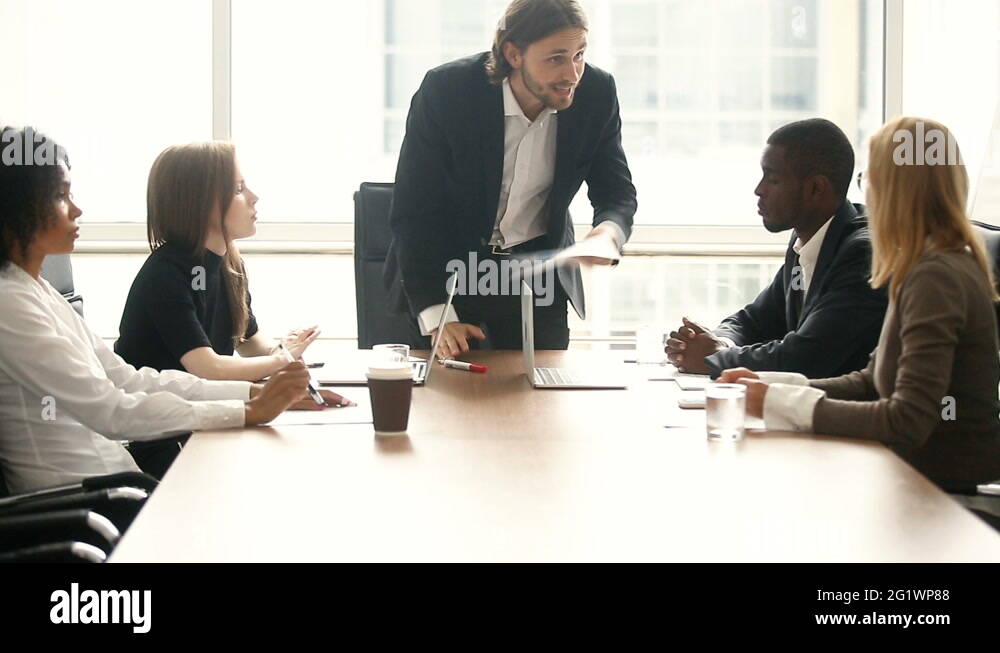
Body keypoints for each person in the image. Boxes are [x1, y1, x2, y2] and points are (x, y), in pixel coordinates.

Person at [0, 126, 335, 493]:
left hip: (118, 484)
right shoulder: (10, 304)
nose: (77, 209)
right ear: (17, 209)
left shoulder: (38, 290)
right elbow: (112, 410)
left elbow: (130, 379)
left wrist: (256, 395)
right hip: (77, 505)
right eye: (61, 196)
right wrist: (250, 409)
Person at [722, 117, 1000, 490]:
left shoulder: (936, 277)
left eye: (868, 181)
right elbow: (871, 381)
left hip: (937, 490)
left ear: (893, 190)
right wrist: (770, 387)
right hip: (911, 474)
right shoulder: (926, 264)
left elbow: (907, 419)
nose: (864, 196)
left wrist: (779, 404)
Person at [384, 0, 637, 360]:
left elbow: (617, 192)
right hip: (447, 273)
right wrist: (438, 314)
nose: (572, 74)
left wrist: (607, 233)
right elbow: (413, 209)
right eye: (556, 58)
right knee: (445, 402)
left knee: (542, 398)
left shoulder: (596, 93)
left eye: (579, 55)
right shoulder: (448, 91)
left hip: (538, 274)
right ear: (514, 54)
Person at [666, 119, 887, 378]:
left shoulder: (862, 254)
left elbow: (806, 357)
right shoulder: (805, 240)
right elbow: (752, 321)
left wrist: (715, 358)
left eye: (772, 179)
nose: (759, 189)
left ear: (816, 188)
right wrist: (717, 343)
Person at [116, 142, 337, 384]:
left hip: (198, 405)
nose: (254, 198)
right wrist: (282, 360)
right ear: (199, 201)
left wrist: (281, 349)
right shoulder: (166, 274)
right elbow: (207, 368)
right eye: (238, 189)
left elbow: (249, 342)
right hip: (155, 412)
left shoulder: (228, 265)